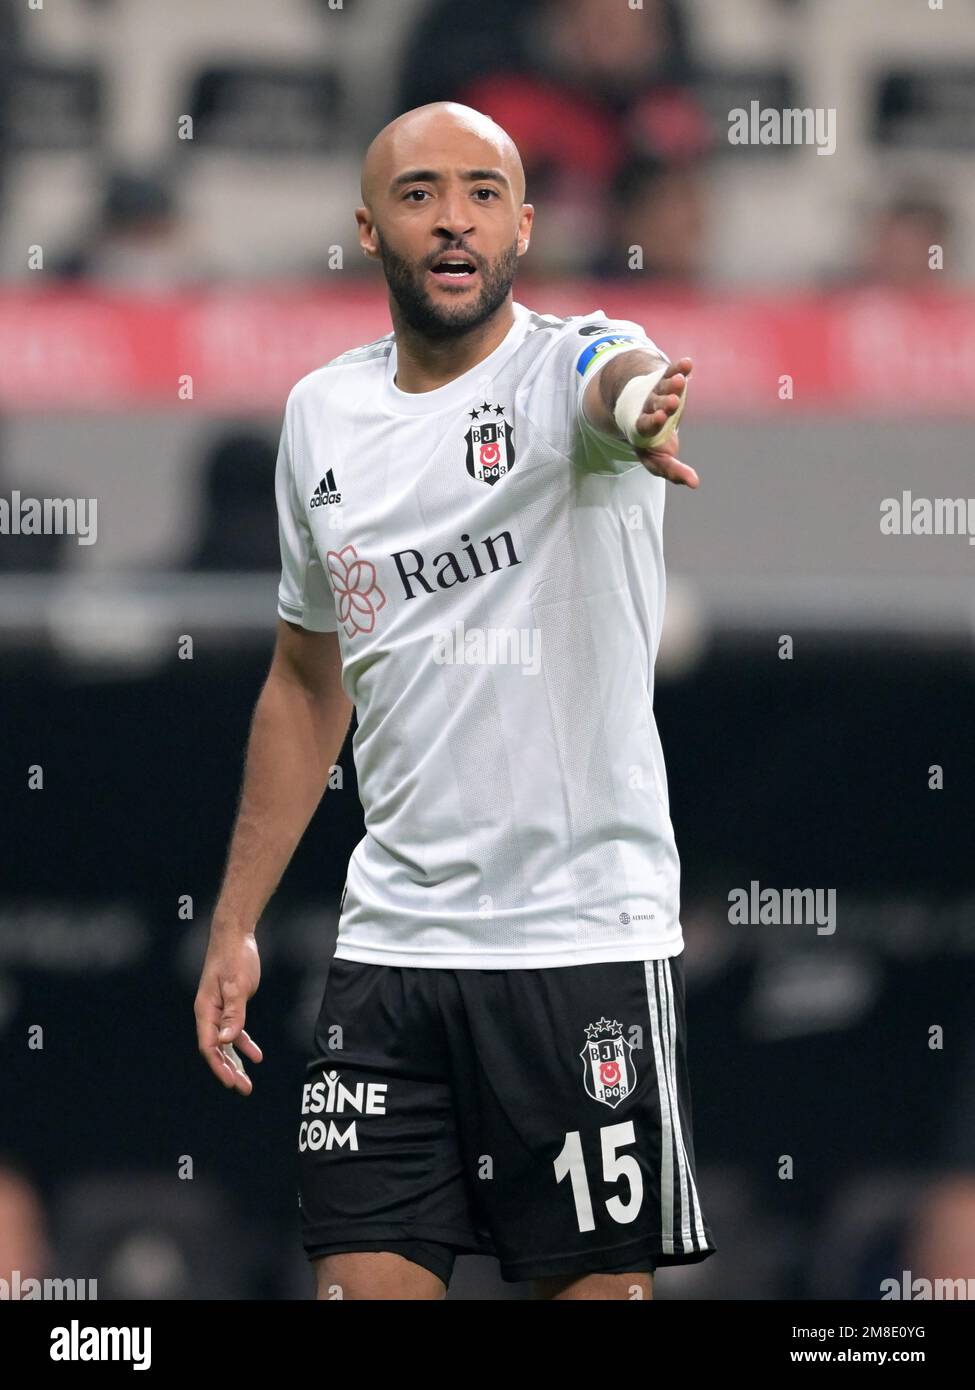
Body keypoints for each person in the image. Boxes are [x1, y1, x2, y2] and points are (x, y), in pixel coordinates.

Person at [194, 101, 716, 1301]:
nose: (453, 218)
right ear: (370, 228)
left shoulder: (567, 366)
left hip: (578, 945)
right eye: (421, 193)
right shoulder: (321, 416)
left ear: (524, 225)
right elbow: (306, 675)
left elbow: (617, 382)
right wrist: (235, 922)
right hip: (391, 953)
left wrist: (642, 408)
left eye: (484, 193)